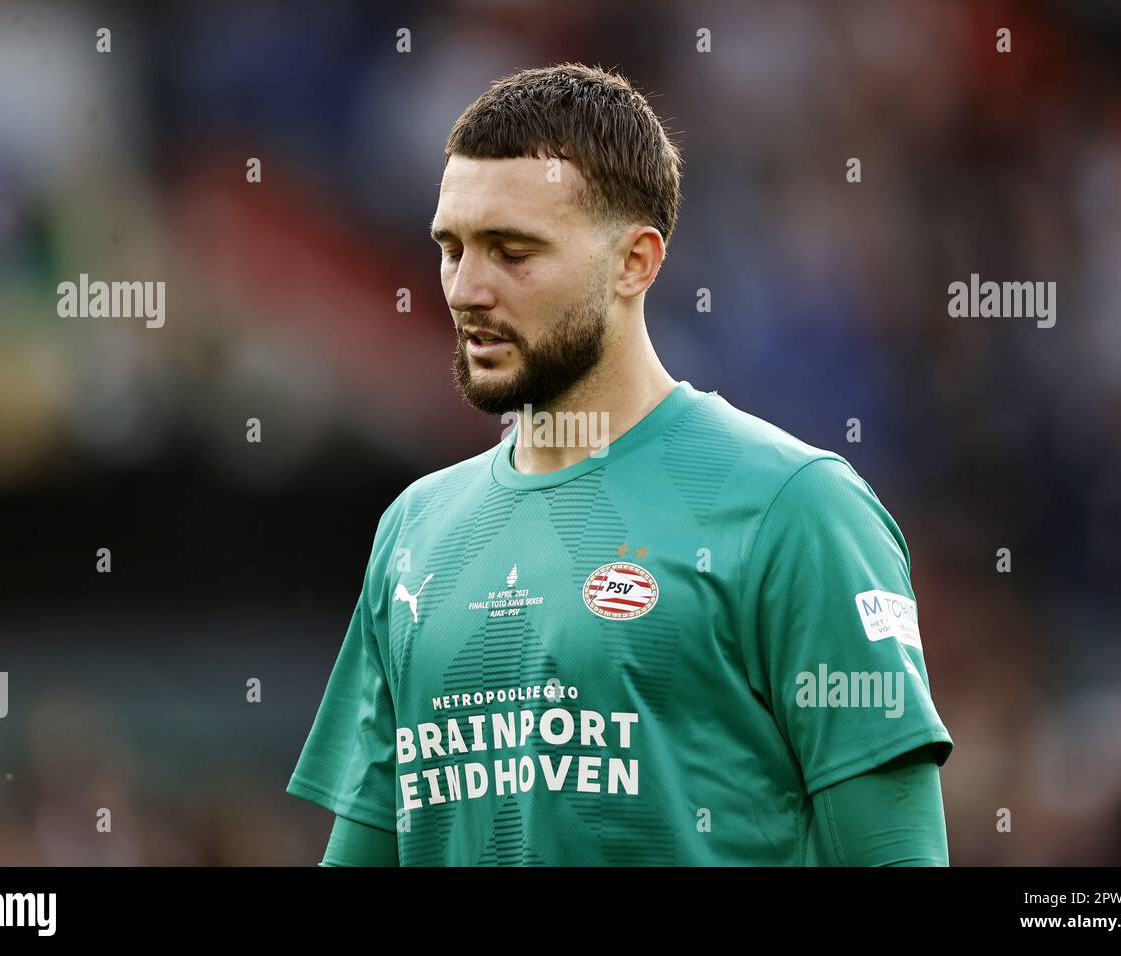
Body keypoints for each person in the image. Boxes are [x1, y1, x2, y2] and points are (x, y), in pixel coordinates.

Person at [287, 62, 953, 866]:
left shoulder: (794, 509)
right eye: (452, 248)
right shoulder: (413, 533)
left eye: (512, 251)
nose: (466, 289)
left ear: (635, 262)